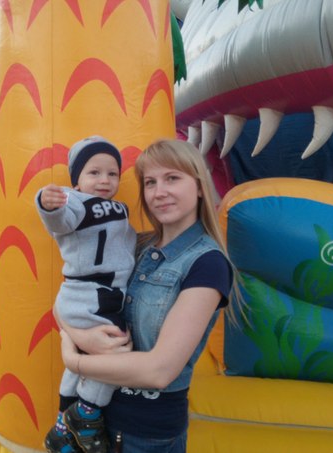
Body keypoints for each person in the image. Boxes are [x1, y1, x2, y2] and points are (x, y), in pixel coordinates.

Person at [58, 138, 237, 453]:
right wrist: (82, 337)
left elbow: (159, 371)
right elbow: (67, 300)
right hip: (93, 421)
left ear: (199, 186)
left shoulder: (208, 264)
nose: (159, 192)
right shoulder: (133, 247)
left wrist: (76, 360)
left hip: (146, 436)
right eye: (150, 182)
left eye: (172, 178)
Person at [36, 136, 137, 453]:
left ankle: (62, 427)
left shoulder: (119, 207)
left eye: (112, 173)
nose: (105, 180)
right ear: (77, 179)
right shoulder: (76, 202)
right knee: (116, 352)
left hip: (96, 292)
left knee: (83, 361)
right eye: (94, 172)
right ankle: (87, 414)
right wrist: (47, 204)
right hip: (91, 292)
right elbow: (59, 221)